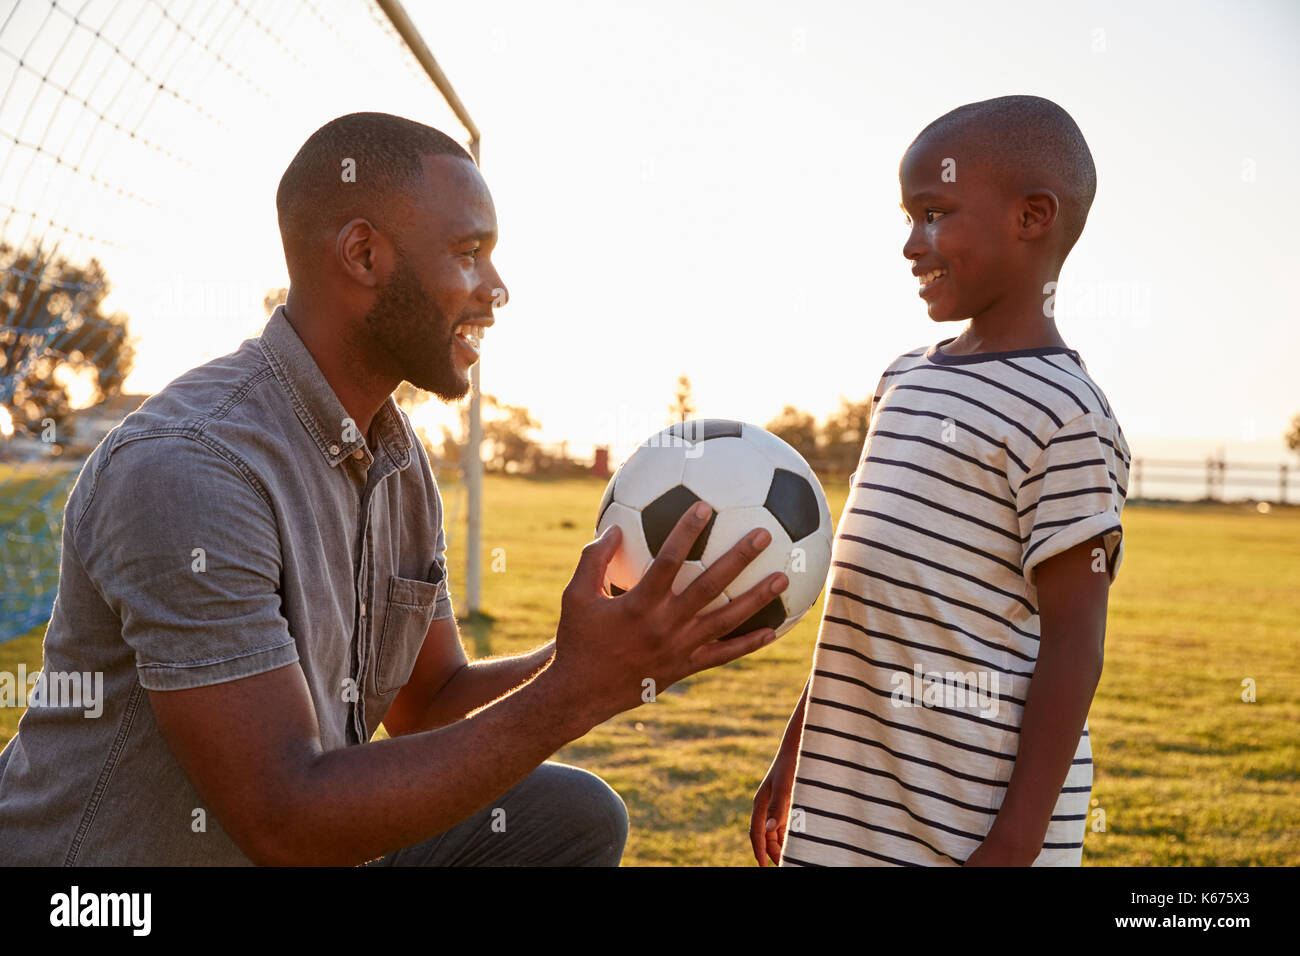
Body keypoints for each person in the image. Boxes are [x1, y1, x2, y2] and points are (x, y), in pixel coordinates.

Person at [0, 112, 789, 866]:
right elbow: (284, 819)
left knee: (568, 816)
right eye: (470, 251)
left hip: (298, 843)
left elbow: (433, 700)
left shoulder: (396, 457)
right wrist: (580, 692)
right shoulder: (190, 468)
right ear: (365, 256)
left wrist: (612, 646)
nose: (498, 287)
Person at [751, 95, 1129, 867]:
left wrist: (1016, 841)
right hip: (849, 809)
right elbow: (863, 600)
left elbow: (1073, 644)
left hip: (970, 819)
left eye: (934, 213)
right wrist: (796, 752)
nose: (910, 245)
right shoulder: (903, 380)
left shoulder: (1066, 413)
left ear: (1032, 217)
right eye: (908, 216)